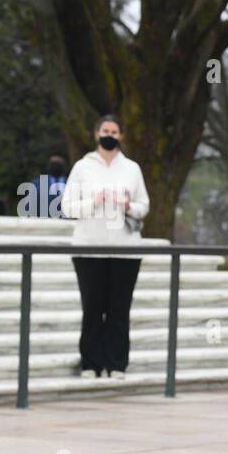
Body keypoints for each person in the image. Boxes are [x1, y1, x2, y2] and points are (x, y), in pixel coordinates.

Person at [61, 115, 149, 379]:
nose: (110, 135)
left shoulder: (132, 168)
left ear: (121, 135)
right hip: (89, 247)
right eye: (105, 130)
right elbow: (67, 207)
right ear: (96, 133)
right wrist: (93, 202)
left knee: (119, 309)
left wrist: (127, 205)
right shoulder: (82, 167)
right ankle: (91, 363)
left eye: (115, 131)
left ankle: (117, 363)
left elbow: (143, 206)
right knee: (92, 308)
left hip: (125, 249)